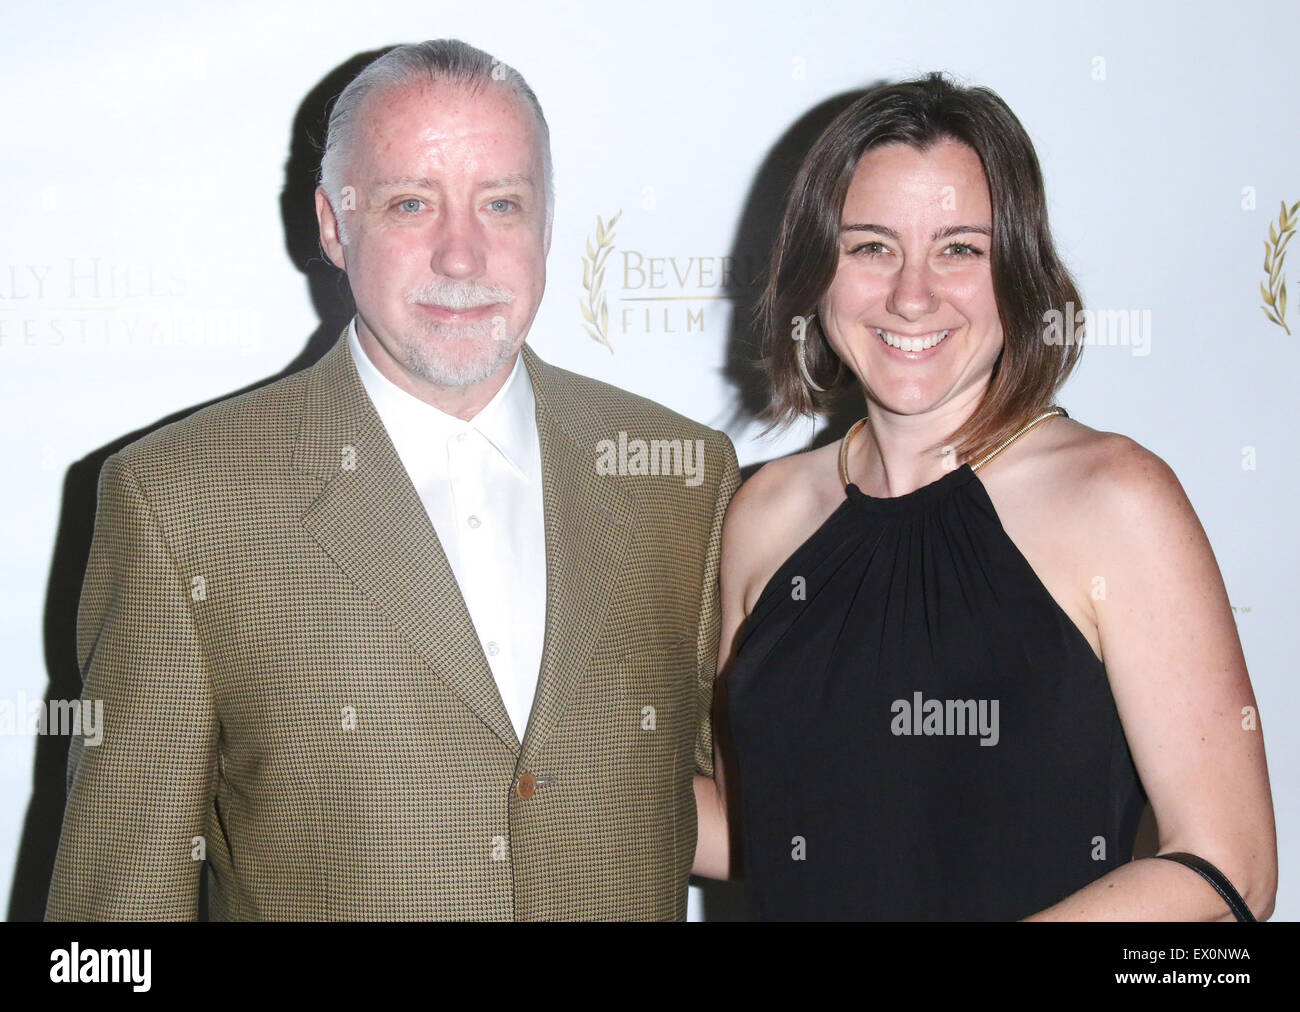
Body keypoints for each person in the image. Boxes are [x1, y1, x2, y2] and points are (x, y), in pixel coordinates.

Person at [46, 39, 739, 921]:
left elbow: (775, 810)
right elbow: (114, 914)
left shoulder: (679, 478)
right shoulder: (179, 501)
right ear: (335, 225)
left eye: (502, 203)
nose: (462, 255)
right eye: (412, 203)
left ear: (549, 224)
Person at [692, 73, 1277, 921]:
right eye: (872, 247)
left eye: (960, 248)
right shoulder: (767, 515)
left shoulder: (1114, 500)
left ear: (1019, 273)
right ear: (819, 271)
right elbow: (770, 829)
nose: (913, 294)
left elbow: (1230, 870)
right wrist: (535, 779)